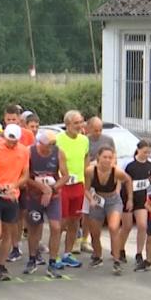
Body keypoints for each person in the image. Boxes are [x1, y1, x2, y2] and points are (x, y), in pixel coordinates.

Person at [0, 124, 30, 281]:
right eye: (9, 140)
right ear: (4, 136)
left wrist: (14, 186)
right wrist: (2, 187)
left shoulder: (23, 151)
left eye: (14, 141)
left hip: (12, 195)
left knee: (8, 233)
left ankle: (2, 266)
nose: (11, 143)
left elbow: (25, 174)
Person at [23, 130, 65, 277]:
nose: (51, 148)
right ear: (40, 143)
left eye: (54, 144)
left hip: (53, 196)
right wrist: (41, 188)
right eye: (49, 145)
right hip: (34, 196)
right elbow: (24, 177)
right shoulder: (29, 152)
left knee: (56, 227)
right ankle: (32, 259)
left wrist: (52, 189)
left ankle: (52, 262)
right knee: (34, 227)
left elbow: (65, 176)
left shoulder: (59, 153)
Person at [85, 146, 132, 275]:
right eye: (104, 157)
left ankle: (116, 261)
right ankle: (97, 255)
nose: (107, 160)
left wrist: (130, 199)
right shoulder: (90, 171)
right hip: (98, 200)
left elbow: (128, 180)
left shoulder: (116, 171)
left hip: (113, 201)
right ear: (98, 157)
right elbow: (85, 189)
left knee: (113, 227)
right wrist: (91, 200)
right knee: (95, 232)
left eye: (110, 158)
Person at [56, 110, 89, 268]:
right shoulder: (58, 139)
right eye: (76, 123)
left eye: (81, 122)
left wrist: (87, 180)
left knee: (75, 221)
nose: (79, 125)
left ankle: (67, 254)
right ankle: (54, 256)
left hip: (79, 185)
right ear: (67, 124)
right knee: (61, 223)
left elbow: (86, 159)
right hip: (64, 186)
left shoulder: (84, 140)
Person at [123, 140, 151, 272]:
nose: (147, 155)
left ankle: (139, 253)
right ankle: (120, 249)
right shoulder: (130, 165)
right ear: (138, 150)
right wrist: (129, 199)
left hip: (142, 198)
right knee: (126, 226)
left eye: (149, 152)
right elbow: (126, 182)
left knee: (143, 225)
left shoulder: (150, 165)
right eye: (144, 152)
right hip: (128, 197)